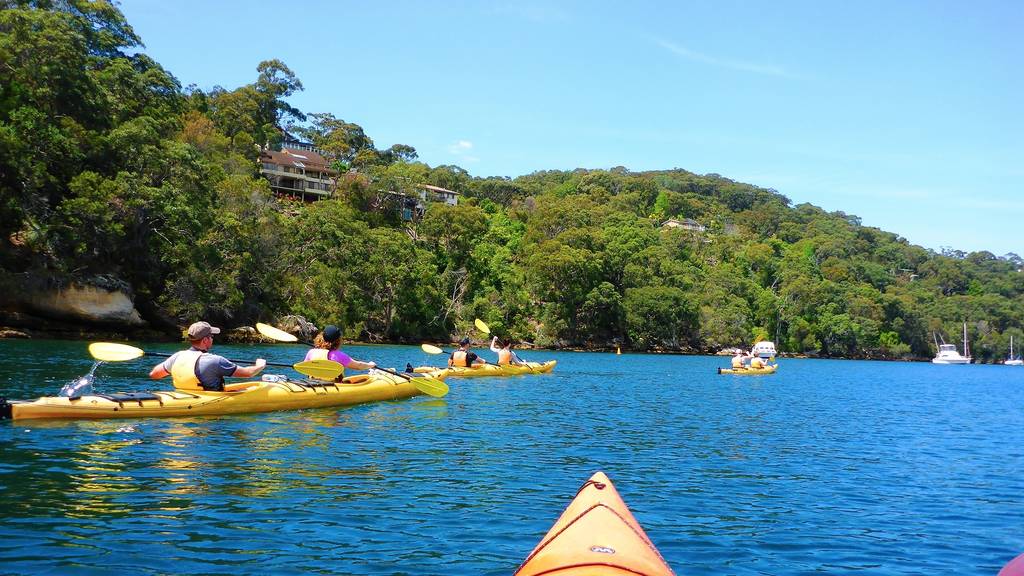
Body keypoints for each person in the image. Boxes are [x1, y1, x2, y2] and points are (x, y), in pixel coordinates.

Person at [149, 321, 266, 391]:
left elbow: (154, 375)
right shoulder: (215, 360)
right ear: (205, 340)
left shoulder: (177, 356)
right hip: (209, 404)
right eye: (211, 336)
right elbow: (248, 373)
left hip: (184, 395)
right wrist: (260, 365)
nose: (212, 339)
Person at [304, 325, 376, 377]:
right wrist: (371, 365)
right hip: (334, 385)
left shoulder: (311, 352)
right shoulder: (338, 355)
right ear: (338, 340)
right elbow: (358, 366)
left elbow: (305, 369)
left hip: (313, 383)